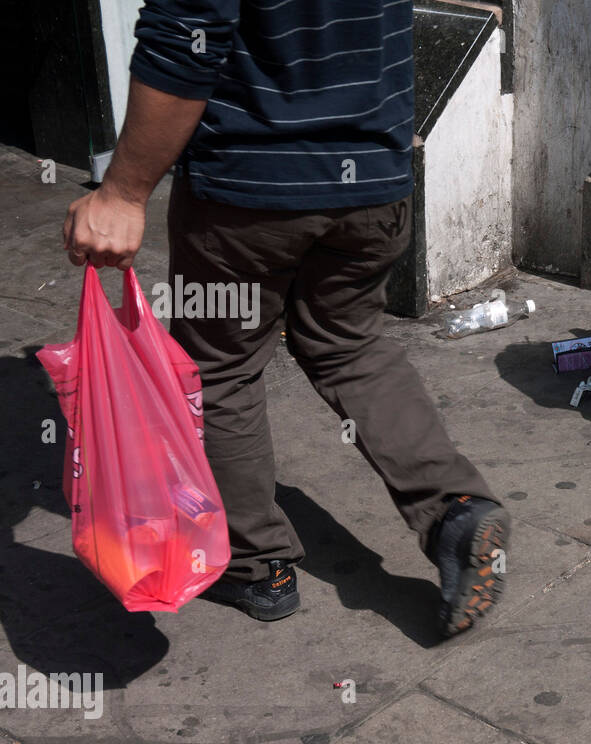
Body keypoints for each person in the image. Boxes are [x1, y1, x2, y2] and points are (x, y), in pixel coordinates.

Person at [61, 1, 508, 639]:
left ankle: (256, 565)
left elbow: (184, 38)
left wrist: (124, 191)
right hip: (373, 180)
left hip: (249, 192)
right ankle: (457, 511)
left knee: (220, 366)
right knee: (352, 346)